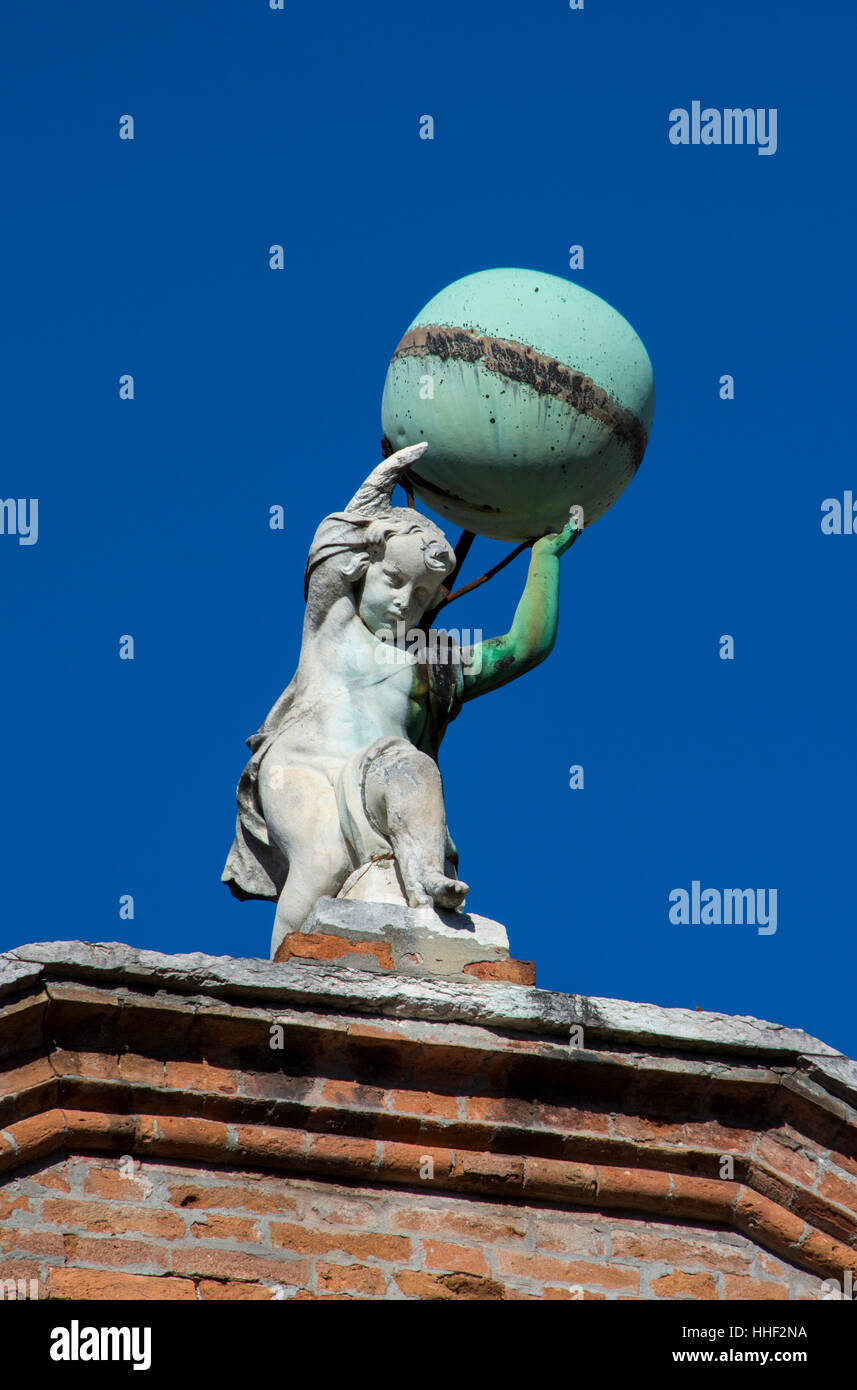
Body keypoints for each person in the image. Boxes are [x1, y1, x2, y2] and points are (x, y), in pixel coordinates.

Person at [223, 442, 580, 960]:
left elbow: (525, 647)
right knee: (323, 863)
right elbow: (329, 553)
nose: (401, 601)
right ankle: (282, 974)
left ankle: (425, 891)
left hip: (377, 772)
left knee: (412, 768)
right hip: (301, 767)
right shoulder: (332, 626)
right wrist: (377, 488)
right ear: (364, 567)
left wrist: (545, 556)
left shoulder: (428, 662)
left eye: (420, 596)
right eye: (392, 580)